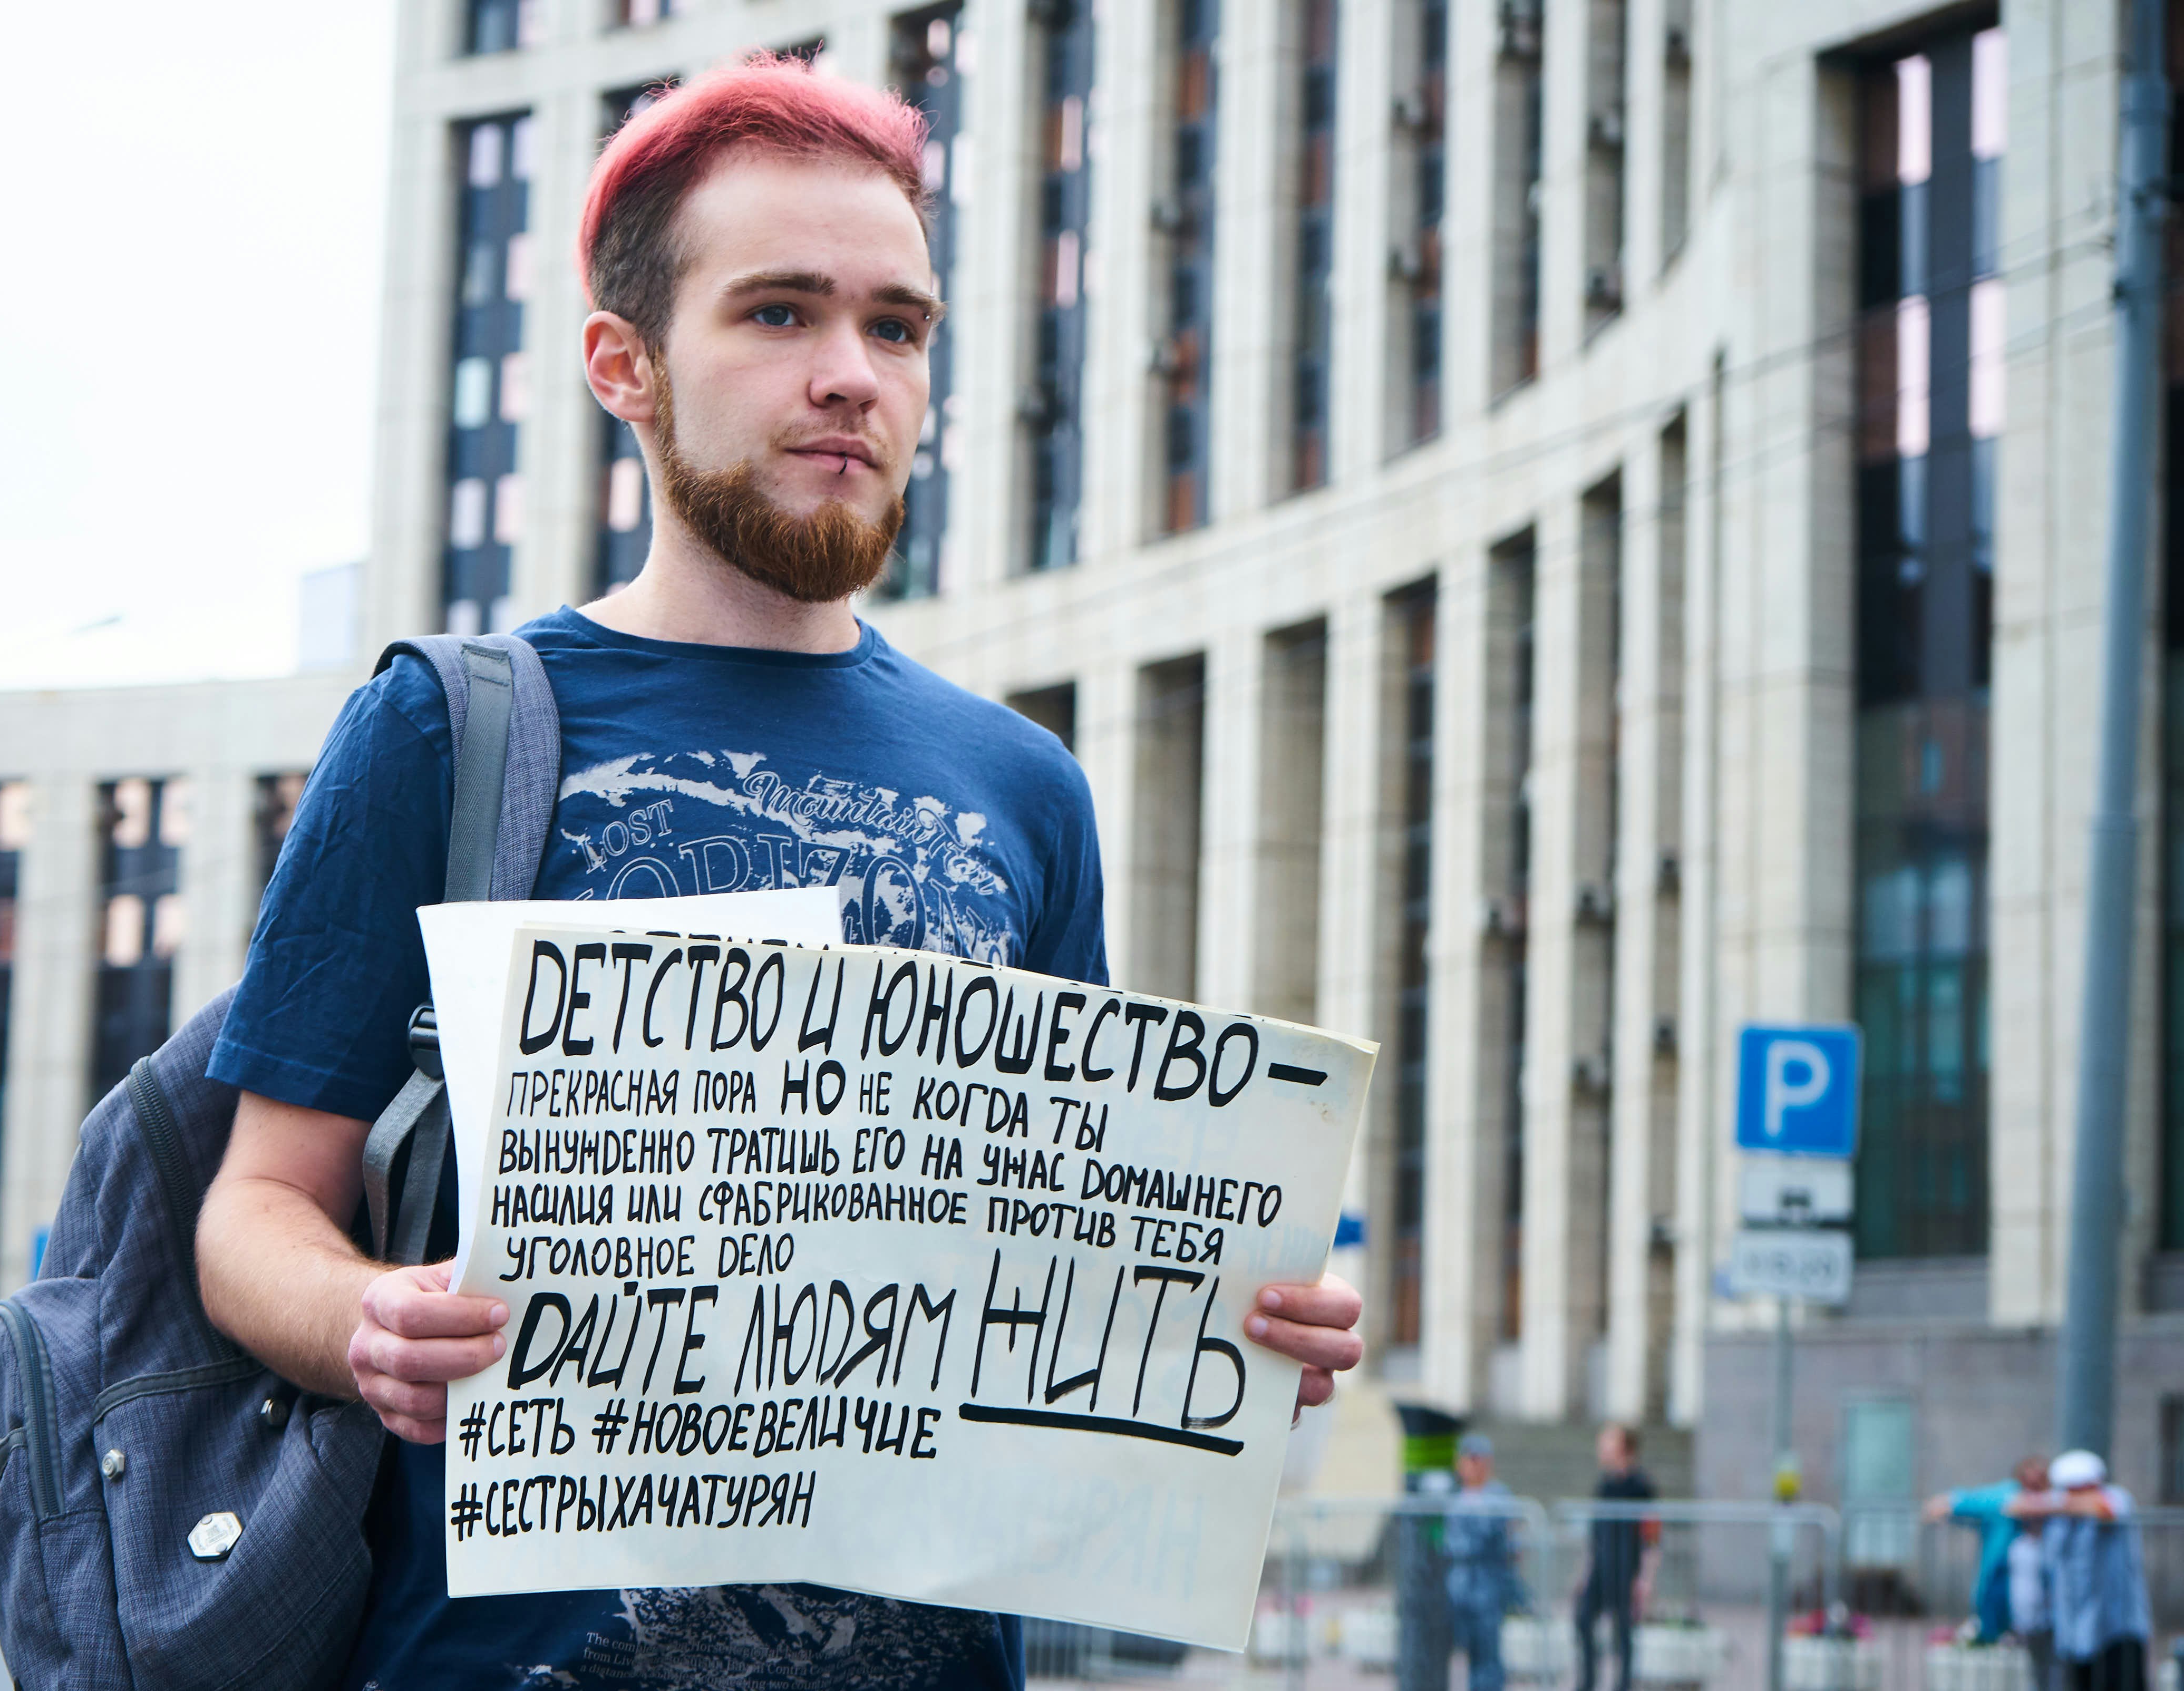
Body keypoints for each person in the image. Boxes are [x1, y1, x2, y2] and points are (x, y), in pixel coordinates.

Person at [191, 55, 1367, 1691]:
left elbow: (1064, 1247)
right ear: (626, 366)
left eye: (894, 327)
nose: (849, 376)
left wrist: (1236, 1319)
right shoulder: (441, 731)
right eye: (777, 315)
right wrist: (365, 1318)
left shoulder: (1026, 788)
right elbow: (252, 1209)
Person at [2014, 1450, 2148, 1691]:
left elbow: (2104, 1508)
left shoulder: (2117, 1497)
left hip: (2117, 1629)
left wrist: (2051, 1503)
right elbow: (2016, 1506)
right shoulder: (2058, 1513)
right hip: (2073, 1631)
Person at [1924, 1454, 2051, 1659]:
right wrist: (1942, 1505)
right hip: (1998, 1594)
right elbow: (1959, 1502)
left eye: (2040, 1484)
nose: (2033, 1492)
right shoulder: (2004, 1500)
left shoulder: (2055, 1508)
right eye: (2029, 1484)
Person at [1576, 1422, 1663, 1691]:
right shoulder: (1604, 1485)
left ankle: (1623, 1685)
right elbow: (1596, 1536)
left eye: (1609, 1441)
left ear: (1625, 1448)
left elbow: (1652, 1536)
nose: (1602, 1447)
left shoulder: (1642, 1486)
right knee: (1583, 1618)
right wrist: (1584, 1573)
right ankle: (1588, 1682)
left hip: (1628, 1569)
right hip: (1603, 1567)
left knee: (1624, 1632)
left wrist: (1646, 1579)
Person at [1441, 1434, 1528, 1691]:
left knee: (1488, 1656)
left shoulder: (1498, 1496)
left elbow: (1506, 1540)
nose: (1471, 1465)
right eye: (1467, 1459)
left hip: (1488, 1586)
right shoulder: (1455, 1497)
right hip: (1459, 1587)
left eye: (1477, 1459)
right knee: (1465, 1653)